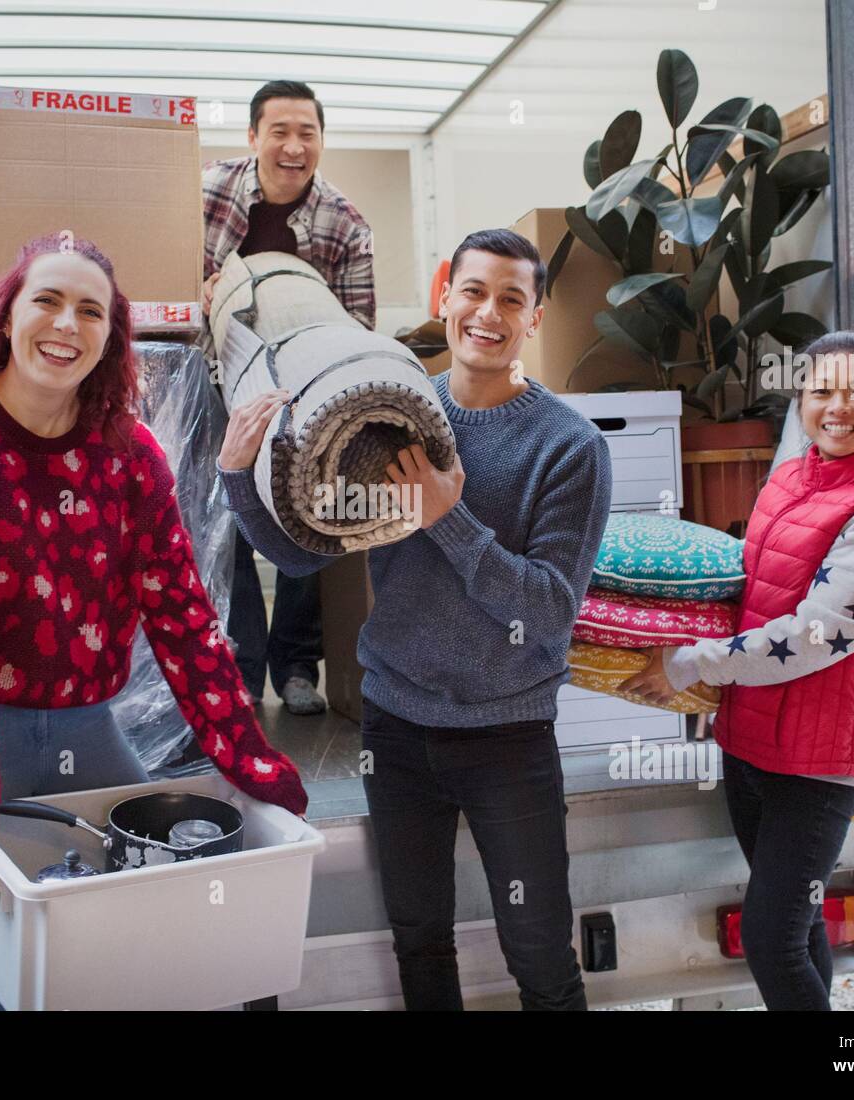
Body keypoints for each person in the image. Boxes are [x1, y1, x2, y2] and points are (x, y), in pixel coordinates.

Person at [0, 233, 308, 1011]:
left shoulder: (129, 456)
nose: (67, 324)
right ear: (6, 314)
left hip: (78, 722)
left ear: (109, 337)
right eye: (48, 301)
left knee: (143, 935)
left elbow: (185, 622)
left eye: (90, 311)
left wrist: (251, 762)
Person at [217, 229, 613, 1010]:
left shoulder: (569, 446)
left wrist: (449, 517)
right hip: (396, 730)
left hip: (508, 738)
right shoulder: (387, 407)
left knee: (540, 958)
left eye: (511, 298)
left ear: (534, 318)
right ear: (444, 298)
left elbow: (548, 613)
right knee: (420, 945)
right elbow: (300, 557)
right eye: (473, 291)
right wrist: (236, 477)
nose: (487, 313)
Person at [620, 331, 854, 1011]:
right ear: (802, 398)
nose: (837, 407)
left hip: (816, 765)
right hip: (750, 743)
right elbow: (751, 590)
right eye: (821, 390)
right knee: (794, 928)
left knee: (770, 937)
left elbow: (812, 635)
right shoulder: (791, 477)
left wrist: (687, 663)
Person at [202, 79, 376, 716]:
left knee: (307, 510)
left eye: (307, 132)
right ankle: (242, 668)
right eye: (279, 131)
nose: (293, 146)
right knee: (227, 513)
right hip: (214, 378)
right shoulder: (206, 193)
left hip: (303, 388)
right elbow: (159, 283)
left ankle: (297, 663)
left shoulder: (347, 223)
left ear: (321, 141)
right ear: (253, 138)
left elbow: (360, 324)